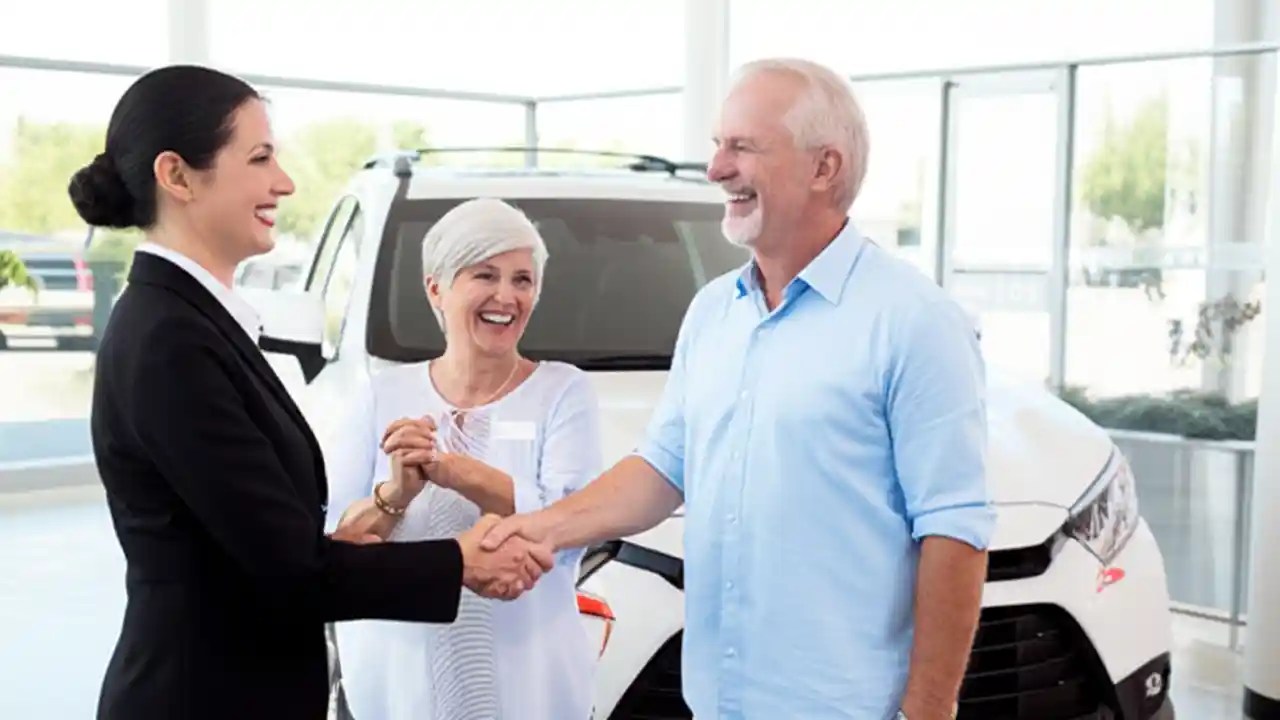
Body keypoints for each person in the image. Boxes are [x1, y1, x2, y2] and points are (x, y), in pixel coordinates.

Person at [481, 57, 995, 719]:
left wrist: (928, 711)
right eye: (717, 145)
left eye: (742, 147)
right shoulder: (714, 312)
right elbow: (664, 469)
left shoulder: (915, 322)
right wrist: (538, 530)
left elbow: (955, 532)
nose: (716, 168)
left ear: (824, 167)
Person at [70, 65, 553, 720]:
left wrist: (346, 542)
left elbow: (255, 543)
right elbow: (286, 570)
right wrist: (459, 561)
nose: (285, 182)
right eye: (260, 157)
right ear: (177, 176)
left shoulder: (191, 322)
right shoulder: (170, 340)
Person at [322, 197, 602, 720]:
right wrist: (395, 495)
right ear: (436, 288)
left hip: (533, 693)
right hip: (395, 693)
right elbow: (338, 543)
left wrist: (455, 471)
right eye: (485, 275)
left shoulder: (564, 392)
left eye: (523, 279)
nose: (507, 296)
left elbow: (574, 524)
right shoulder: (380, 393)